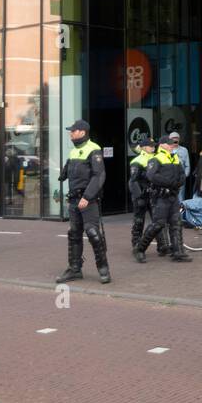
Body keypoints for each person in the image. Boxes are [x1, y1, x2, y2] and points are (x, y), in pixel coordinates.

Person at [57, 120, 110, 284]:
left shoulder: (94, 149)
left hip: (88, 200)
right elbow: (66, 174)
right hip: (73, 200)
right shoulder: (73, 152)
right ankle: (74, 269)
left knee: (93, 233)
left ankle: (103, 269)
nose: (70, 134)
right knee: (73, 234)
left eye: (73, 131)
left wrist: (87, 197)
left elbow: (99, 176)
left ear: (82, 132)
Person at [138, 133, 189, 263]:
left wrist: (178, 183)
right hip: (161, 197)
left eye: (172, 144)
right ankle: (140, 249)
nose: (172, 146)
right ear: (162, 145)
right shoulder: (156, 159)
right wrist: (170, 183)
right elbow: (151, 176)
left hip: (173, 196)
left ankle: (177, 251)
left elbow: (182, 174)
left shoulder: (175, 158)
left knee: (176, 224)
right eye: (169, 144)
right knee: (158, 224)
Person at [127, 136, 157, 258]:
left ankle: (163, 245)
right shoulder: (137, 161)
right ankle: (136, 244)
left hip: (153, 194)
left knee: (157, 221)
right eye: (151, 146)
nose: (153, 147)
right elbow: (133, 181)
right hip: (142, 195)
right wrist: (138, 196)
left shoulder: (155, 159)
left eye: (154, 145)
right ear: (144, 147)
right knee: (139, 221)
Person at [167, 132, 190, 204]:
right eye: (173, 138)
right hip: (169, 179)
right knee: (169, 198)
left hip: (180, 178)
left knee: (180, 198)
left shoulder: (184, 150)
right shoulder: (166, 150)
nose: (175, 140)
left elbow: (187, 165)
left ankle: (180, 214)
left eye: (177, 138)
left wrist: (184, 176)